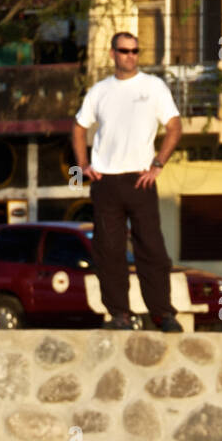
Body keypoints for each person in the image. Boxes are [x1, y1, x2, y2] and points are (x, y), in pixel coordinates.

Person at [72, 32, 184, 332]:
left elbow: (174, 126)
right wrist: (82, 166)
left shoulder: (153, 87)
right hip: (106, 182)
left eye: (135, 50)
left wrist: (158, 163)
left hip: (140, 181)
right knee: (109, 252)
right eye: (124, 51)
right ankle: (120, 315)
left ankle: (162, 313)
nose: (130, 56)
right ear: (112, 54)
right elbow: (79, 127)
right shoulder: (99, 91)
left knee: (153, 250)